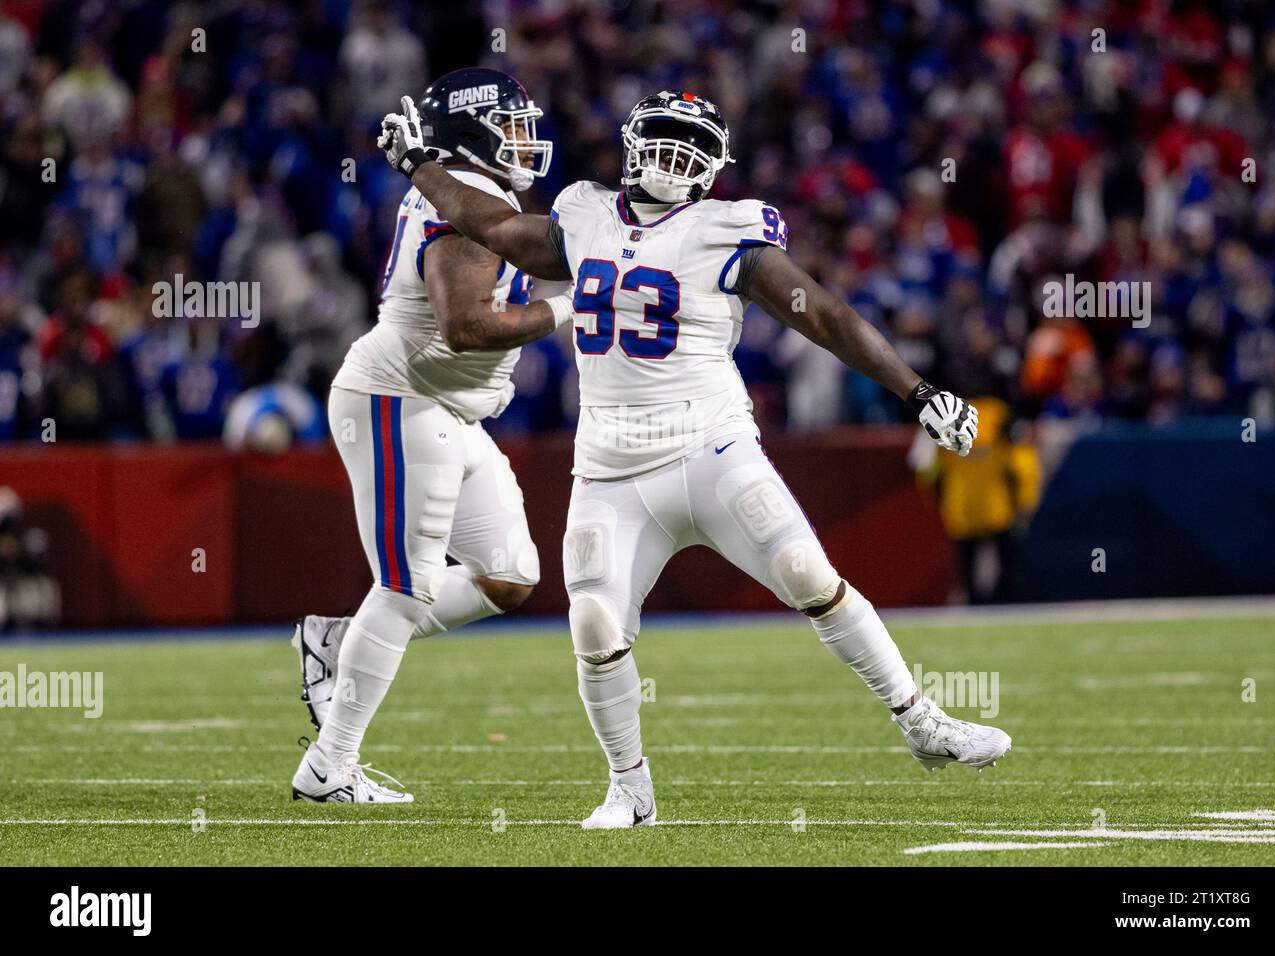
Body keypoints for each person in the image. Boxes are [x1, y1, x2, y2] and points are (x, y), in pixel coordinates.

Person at [379, 86, 1009, 828]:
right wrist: (421, 163)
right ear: (632, 141)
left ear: (716, 164)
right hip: (610, 469)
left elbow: (825, 314)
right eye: (663, 135)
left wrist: (918, 391)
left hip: (712, 449)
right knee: (594, 626)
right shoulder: (583, 212)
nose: (673, 152)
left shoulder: (726, 229)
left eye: (690, 140)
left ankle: (921, 721)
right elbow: (494, 225)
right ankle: (629, 788)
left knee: (811, 577)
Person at [290, 68, 568, 804]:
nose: (523, 137)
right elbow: (466, 327)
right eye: (509, 123)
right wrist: (563, 312)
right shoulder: (465, 206)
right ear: (473, 131)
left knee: (509, 573)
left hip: (446, 408)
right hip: (400, 398)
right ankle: (328, 767)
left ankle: (337, 640)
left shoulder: (472, 194)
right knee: (406, 586)